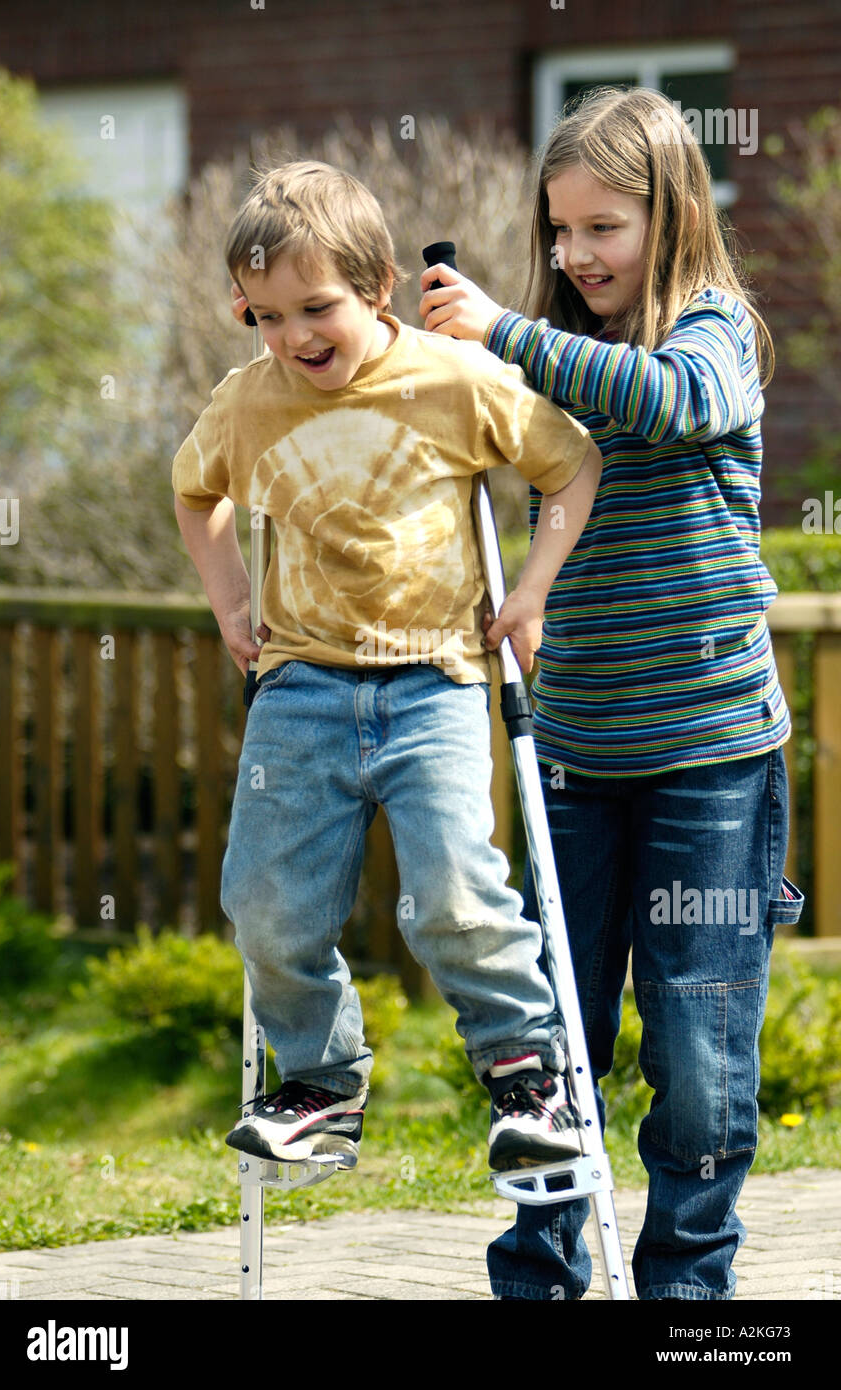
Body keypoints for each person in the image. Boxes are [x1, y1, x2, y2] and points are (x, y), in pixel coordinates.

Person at [420, 86, 804, 1301]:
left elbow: (675, 403)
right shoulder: (539, 358)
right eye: (560, 231)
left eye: (603, 228)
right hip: (575, 752)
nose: (575, 255)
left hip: (707, 754)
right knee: (555, 1037)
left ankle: (688, 1290)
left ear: (672, 211)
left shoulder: (714, 331)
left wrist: (501, 332)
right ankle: (537, 1269)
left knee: (695, 1042)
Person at [172, 160, 603, 1175]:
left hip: (437, 680)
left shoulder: (456, 381)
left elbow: (572, 462)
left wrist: (533, 588)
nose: (294, 337)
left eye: (316, 308)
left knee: (455, 892)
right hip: (302, 686)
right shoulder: (249, 402)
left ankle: (526, 1076)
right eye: (266, 316)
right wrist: (232, 602)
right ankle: (322, 1083)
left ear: (377, 288)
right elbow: (198, 494)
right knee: (265, 905)